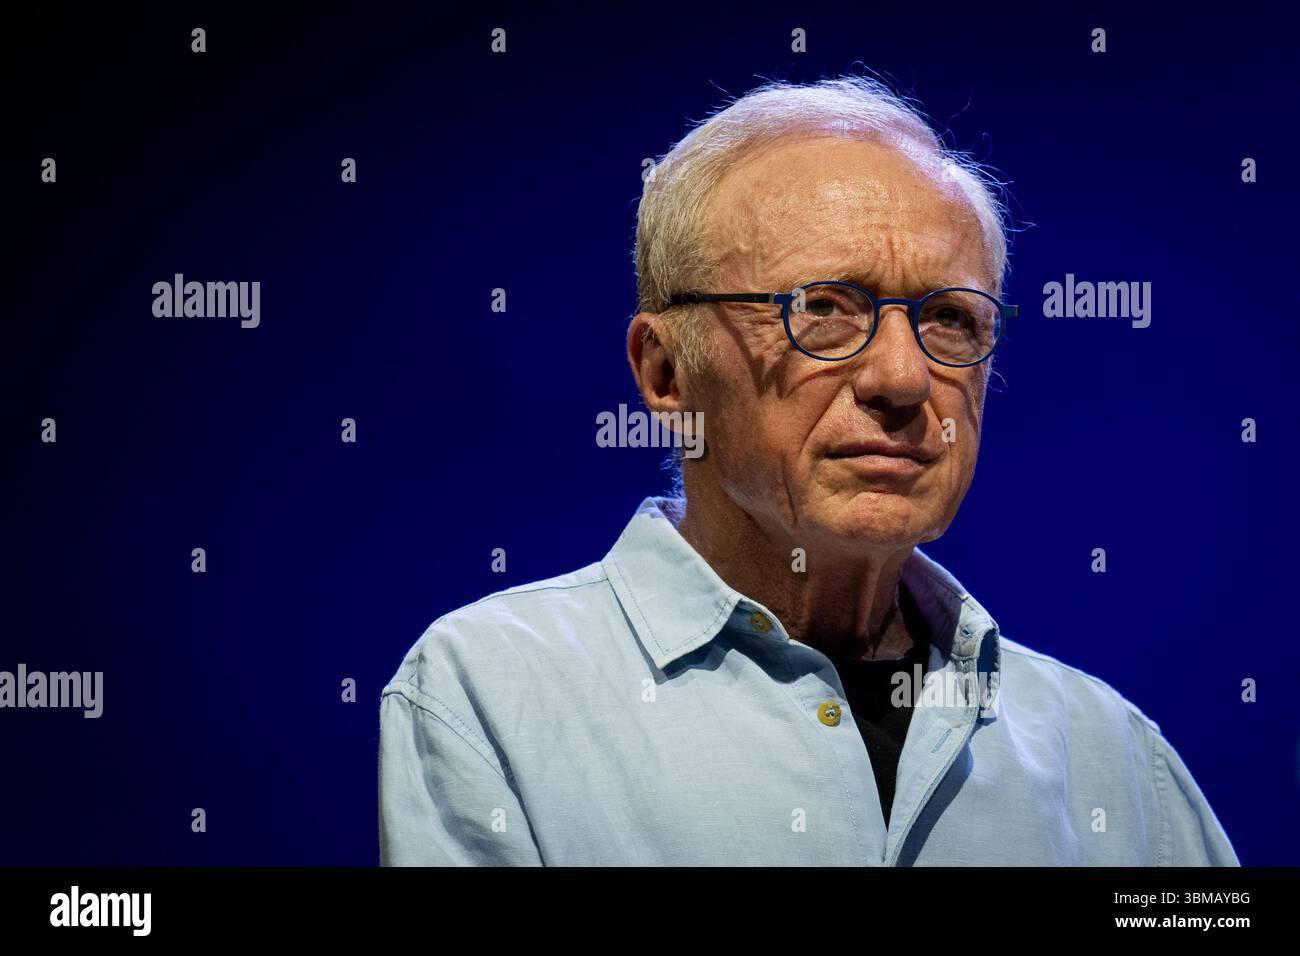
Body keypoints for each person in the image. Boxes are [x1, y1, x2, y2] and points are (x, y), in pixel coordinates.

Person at [378, 75, 1238, 866]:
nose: (902, 379)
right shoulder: (490, 697)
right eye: (822, 309)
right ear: (666, 373)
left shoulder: (1115, 759)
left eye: (948, 318)